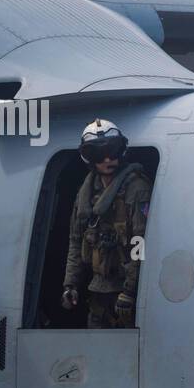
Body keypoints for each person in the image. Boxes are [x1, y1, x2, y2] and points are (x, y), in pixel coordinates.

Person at [61, 120, 153, 328]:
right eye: (98, 154)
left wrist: (130, 291)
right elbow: (75, 243)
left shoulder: (136, 189)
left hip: (126, 289)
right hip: (98, 290)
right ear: (89, 158)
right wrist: (71, 285)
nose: (108, 159)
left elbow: (141, 243)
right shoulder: (85, 196)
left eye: (113, 150)